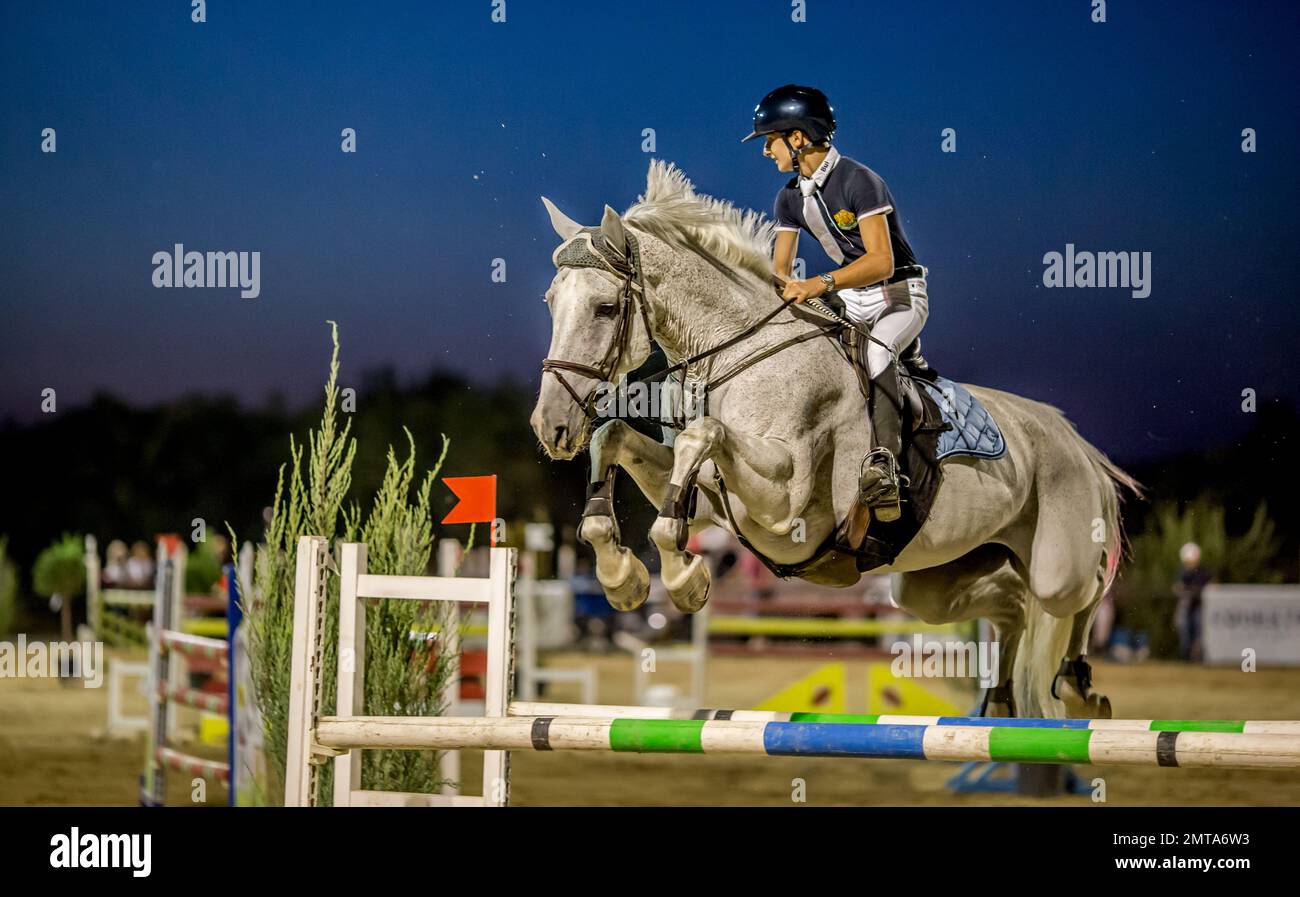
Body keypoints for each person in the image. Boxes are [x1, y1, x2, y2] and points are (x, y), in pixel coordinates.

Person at [744, 84, 928, 524]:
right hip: (848, 298)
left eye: (770, 140)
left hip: (897, 295)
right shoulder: (789, 197)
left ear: (798, 137)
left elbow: (882, 262)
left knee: (877, 352)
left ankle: (884, 465)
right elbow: (782, 270)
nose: (767, 151)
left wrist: (820, 283)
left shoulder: (859, 181)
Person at [1172, 542, 1211, 662]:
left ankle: (1196, 657)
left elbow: (1212, 586)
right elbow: (1177, 588)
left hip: (1198, 607)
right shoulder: (1183, 573)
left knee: (1198, 633)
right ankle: (1186, 657)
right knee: (1185, 633)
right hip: (1186, 606)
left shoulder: (1203, 572)